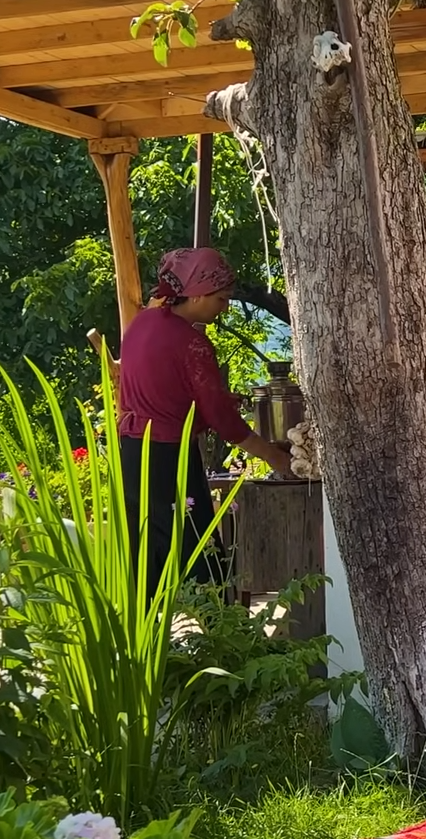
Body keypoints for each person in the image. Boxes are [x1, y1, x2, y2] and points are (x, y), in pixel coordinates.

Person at [116, 247, 293, 590]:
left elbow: (162, 386)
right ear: (196, 295)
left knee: (149, 547)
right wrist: (274, 456)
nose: (225, 307)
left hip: (132, 451)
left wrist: (218, 399)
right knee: (198, 544)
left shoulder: (142, 323)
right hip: (169, 455)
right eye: (222, 299)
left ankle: (150, 633)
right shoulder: (191, 342)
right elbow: (223, 421)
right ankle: (221, 629)